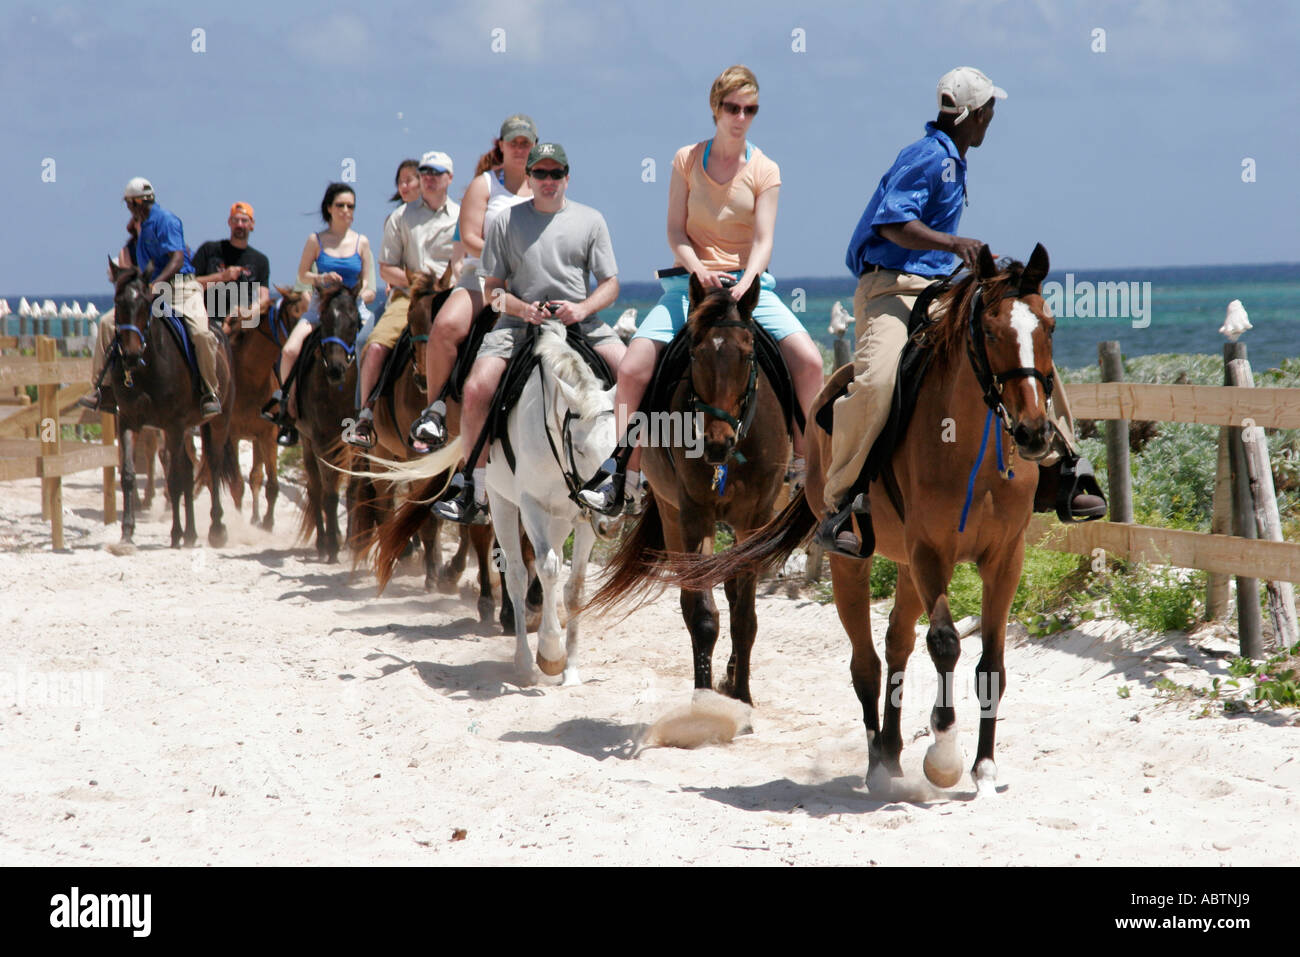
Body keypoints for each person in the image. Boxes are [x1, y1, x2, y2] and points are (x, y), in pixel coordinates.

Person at [817, 66, 1106, 557]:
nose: (992, 119)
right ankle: (841, 502)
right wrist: (953, 242)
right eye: (989, 110)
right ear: (971, 115)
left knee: (1019, 344)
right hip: (890, 289)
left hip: (937, 291)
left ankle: (1066, 464)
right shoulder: (926, 156)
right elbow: (891, 225)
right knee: (877, 382)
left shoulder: (955, 156)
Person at [576, 65, 825, 516]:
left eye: (750, 109)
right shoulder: (686, 160)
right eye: (733, 108)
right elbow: (675, 232)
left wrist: (745, 283)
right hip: (688, 288)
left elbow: (764, 240)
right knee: (632, 370)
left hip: (748, 289)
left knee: (808, 362)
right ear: (716, 108)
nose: (741, 117)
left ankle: (808, 469)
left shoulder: (765, 169)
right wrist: (698, 271)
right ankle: (623, 477)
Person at [431, 142, 626, 524]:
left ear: (567, 177)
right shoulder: (505, 222)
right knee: (475, 390)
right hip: (518, 326)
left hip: (580, 323)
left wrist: (582, 308)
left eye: (556, 174)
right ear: (530, 177)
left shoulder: (591, 220)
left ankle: (629, 477)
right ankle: (473, 487)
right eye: (540, 173)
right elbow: (492, 291)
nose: (548, 180)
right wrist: (523, 309)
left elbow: (611, 284)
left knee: (635, 373)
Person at [409, 114, 537, 453]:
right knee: (445, 326)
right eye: (514, 142)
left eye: (526, 142)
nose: (520, 148)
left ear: (535, 146)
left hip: (533, 281)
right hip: (483, 278)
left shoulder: (545, 184)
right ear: (501, 145)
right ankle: (434, 410)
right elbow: (468, 237)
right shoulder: (485, 184)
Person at [80, 177, 223, 418]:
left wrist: (156, 284)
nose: (128, 209)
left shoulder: (166, 220)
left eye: (129, 204)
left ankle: (210, 392)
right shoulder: (143, 228)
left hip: (182, 290)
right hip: (152, 292)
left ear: (137, 203)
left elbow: (177, 260)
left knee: (201, 334)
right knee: (106, 323)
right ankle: (102, 390)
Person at [346, 150, 460, 448]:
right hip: (408, 299)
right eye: (425, 174)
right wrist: (417, 282)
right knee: (371, 346)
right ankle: (365, 417)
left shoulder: (462, 217)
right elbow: (386, 268)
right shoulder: (401, 217)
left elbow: (466, 262)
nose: (430, 179)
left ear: (450, 178)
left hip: (450, 298)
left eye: (436, 174)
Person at [265, 183, 376, 446]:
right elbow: (303, 274)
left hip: (352, 309)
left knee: (372, 348)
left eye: (351, 206)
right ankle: (287, 407)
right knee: (291, 350)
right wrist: (321, 277)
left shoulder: (362, 242)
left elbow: (370, 287)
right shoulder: (316, 240)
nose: (346, 211)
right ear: (329, 208)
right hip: (319, 307)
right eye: (341, 205)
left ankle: (371, 410)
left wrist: (357, 298)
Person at [192, 202, 271, 333]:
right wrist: (222, 277)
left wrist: (244, 313)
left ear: (252, 225)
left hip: (242, 327)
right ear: (229, 222)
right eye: (236, 220)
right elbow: (190, 285)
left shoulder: (260, 260)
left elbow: (264, 298)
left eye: (244, 220)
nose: (239, 224)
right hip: (208, 321)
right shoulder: (209, 250)